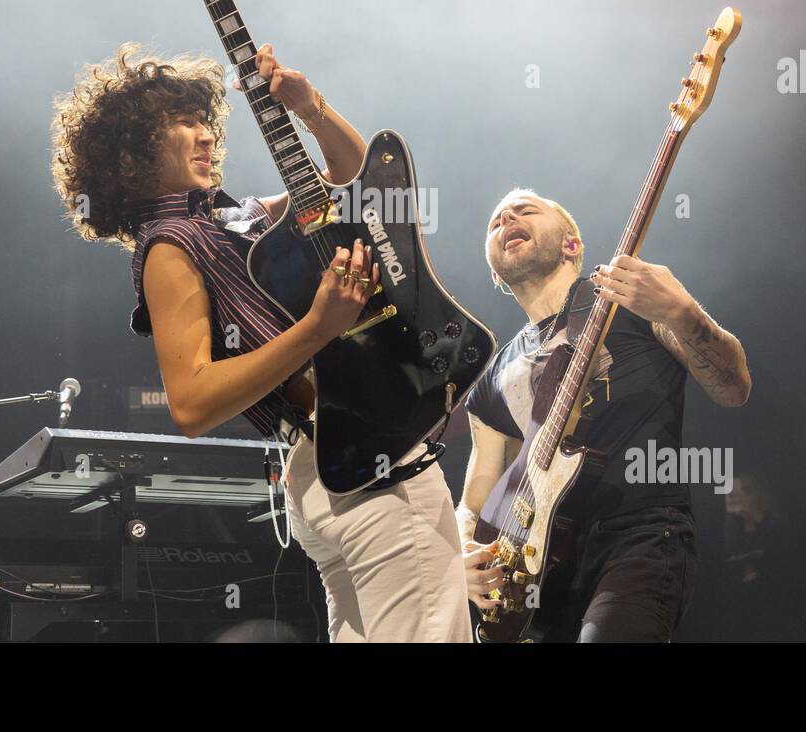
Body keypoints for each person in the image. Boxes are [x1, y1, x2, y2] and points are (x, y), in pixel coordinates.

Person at [51, 42, 470, 642]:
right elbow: (192, 404)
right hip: (365, 463)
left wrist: (310, 107)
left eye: (205, 120)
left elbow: (358, 188)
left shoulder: (227, 220)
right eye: (182, 122)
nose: (205, 136)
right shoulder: (171, 243)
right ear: (133, 152)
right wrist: (317, 328)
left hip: (325, 471)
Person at [456, 188, 751, 641]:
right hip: (538, 570)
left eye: (526, 209)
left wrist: (681, 311)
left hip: (639, 536)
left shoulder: (631, 300)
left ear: (572, 244)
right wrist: (463, 555)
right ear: (495, 272)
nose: (508, 216)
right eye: (495, 221)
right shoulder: (492, 376)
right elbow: (476, 498)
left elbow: (734, 389)